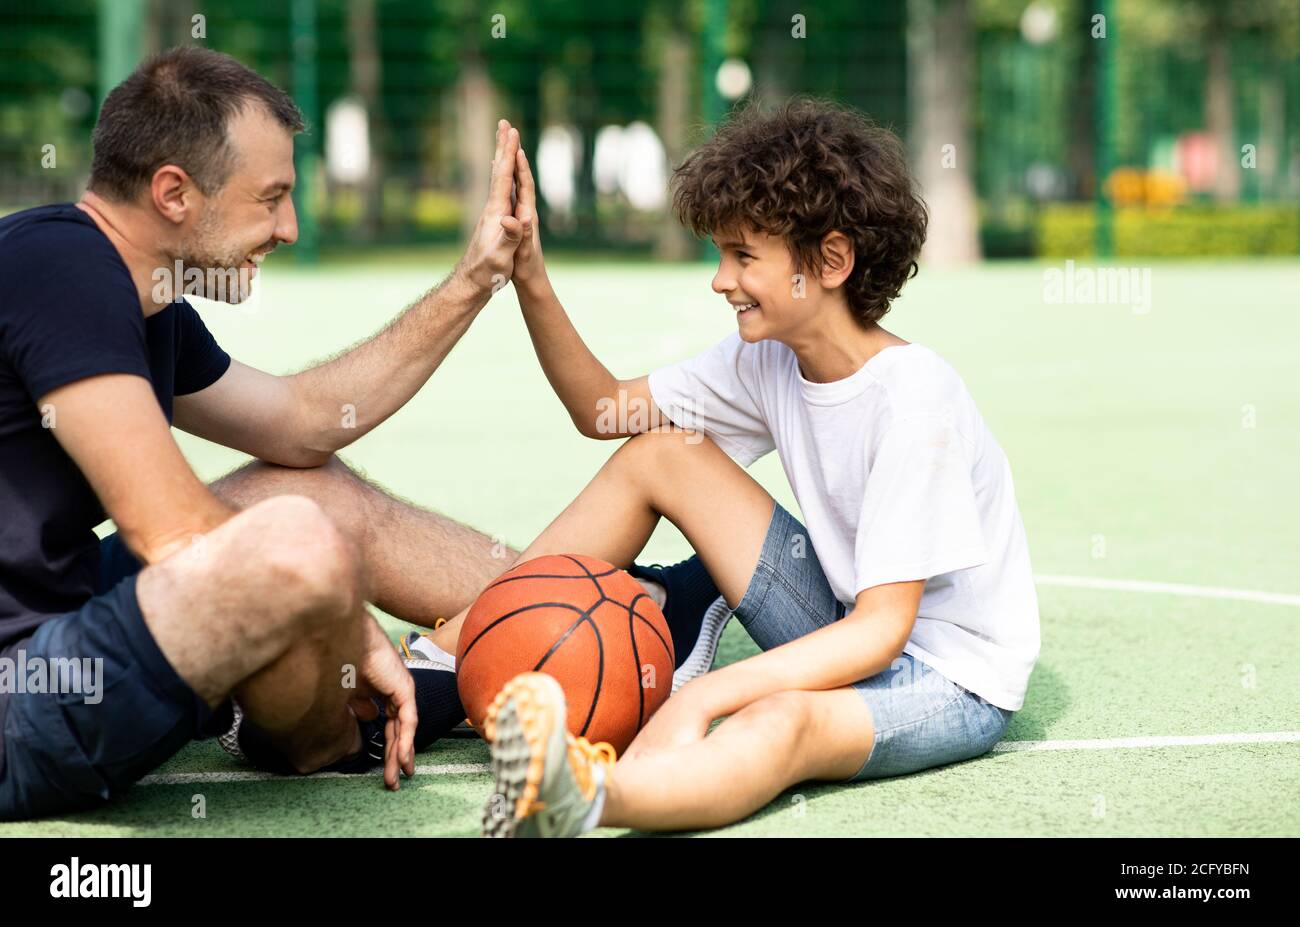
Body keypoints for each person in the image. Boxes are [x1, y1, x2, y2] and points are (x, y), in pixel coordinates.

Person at [0, 46, 715, 820]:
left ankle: (630, 602)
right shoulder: (64, 268)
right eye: (270, 198)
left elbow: (303, 425)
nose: (290, 226)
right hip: (21, 699)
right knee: (298, 544)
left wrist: (476, 276)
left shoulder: (144, 300)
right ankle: (350, 727)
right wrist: (346, 620)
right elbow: (171, 530)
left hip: (68, 620)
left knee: (305, 491)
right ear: (174, 192)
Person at [454, 100, 1041, 836]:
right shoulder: (767, 357)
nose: (721, 279)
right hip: (844, 615)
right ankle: (470, 649)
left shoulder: (914, 401)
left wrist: (703, 697)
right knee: (661, 452)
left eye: (742, 256)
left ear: (829, 261)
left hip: (948, 675)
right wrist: (530, 275)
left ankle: (589, 796)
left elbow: (882, 633)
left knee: (785, 720)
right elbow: (602, 408)